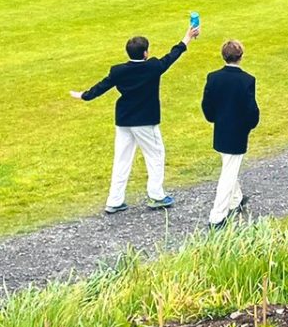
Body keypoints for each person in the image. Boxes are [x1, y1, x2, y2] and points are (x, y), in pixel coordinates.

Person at [73, 25, 197, 213]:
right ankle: (156, 195)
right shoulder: (153, 67)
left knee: (122, 160)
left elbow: (101, 87)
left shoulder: (118, 71)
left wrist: (84, 95)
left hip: (124, 120)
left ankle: (114, 200)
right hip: (145, 121)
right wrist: (186, 38)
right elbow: (172, 56)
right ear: (146, 53)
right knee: (155, 155)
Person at [201, 40, 261, 228]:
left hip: (221, 129)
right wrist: (250, 124)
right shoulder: (247, 80)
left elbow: (207, 105)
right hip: (237, 132)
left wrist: (213, 118)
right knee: (228, 173)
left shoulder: (213, 77)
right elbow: (251, 109)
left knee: (229, 166)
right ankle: (217, 216)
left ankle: (236, 199)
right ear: (241, 56)